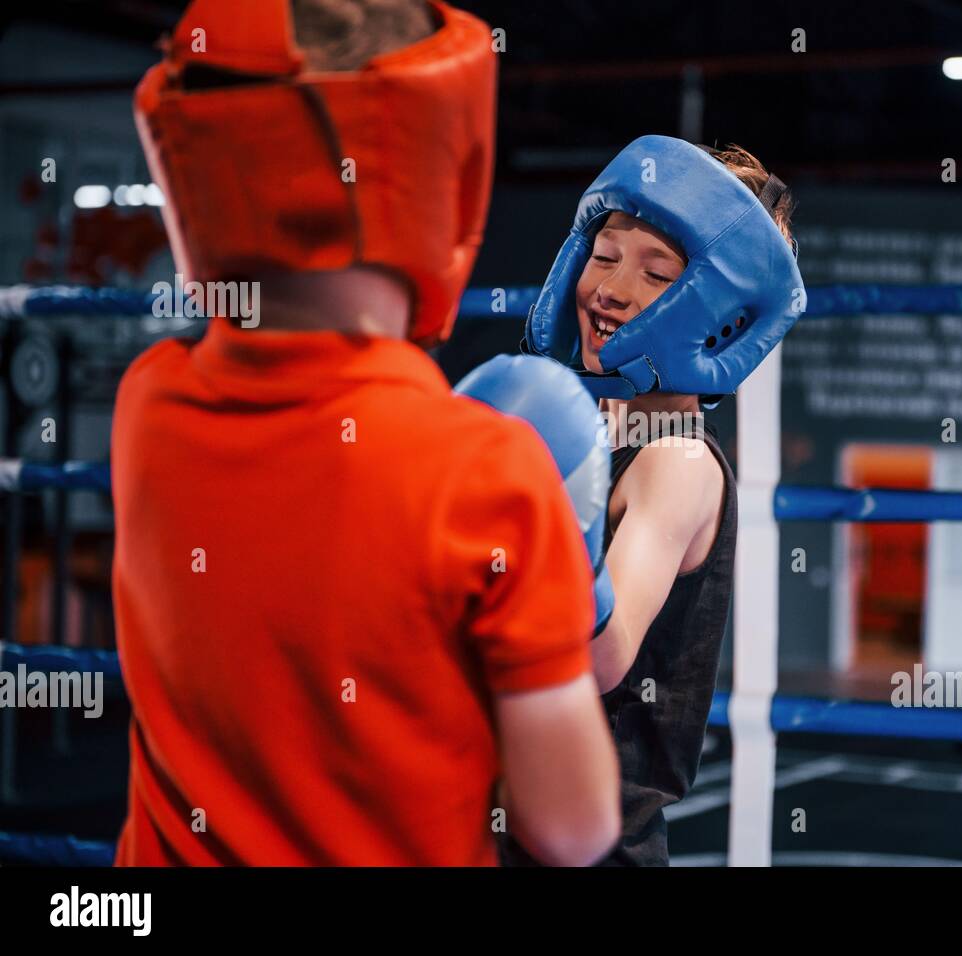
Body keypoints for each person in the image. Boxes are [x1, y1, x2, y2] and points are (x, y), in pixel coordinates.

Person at [113, 0, 619, 866]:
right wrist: (574, 578)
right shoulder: (487, 470)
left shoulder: (147, 405)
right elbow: (573, 830)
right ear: (431, 171)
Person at [507, 136, 804, 865]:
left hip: (591, 842)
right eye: (603, 256)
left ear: (720, 317)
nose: (609, 288)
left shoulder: (674, 460)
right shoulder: (595, 436)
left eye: (656, 272)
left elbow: (602, 655)